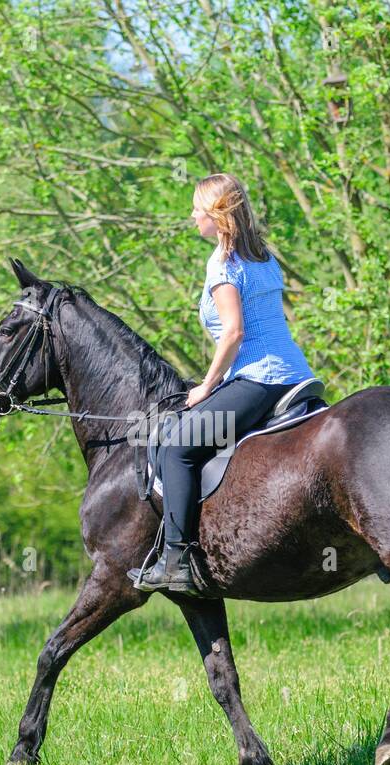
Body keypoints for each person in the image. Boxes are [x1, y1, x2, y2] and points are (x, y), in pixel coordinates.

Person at [133, 172, 317, 594]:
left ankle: (176, 559)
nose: (192, 216)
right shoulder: (263, 257)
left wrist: (206, 386)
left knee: (178, 447)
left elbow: (233, 333)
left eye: (198, 209)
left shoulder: (223, 263)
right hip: (296, 374)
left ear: (217, 215)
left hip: (258, 379)